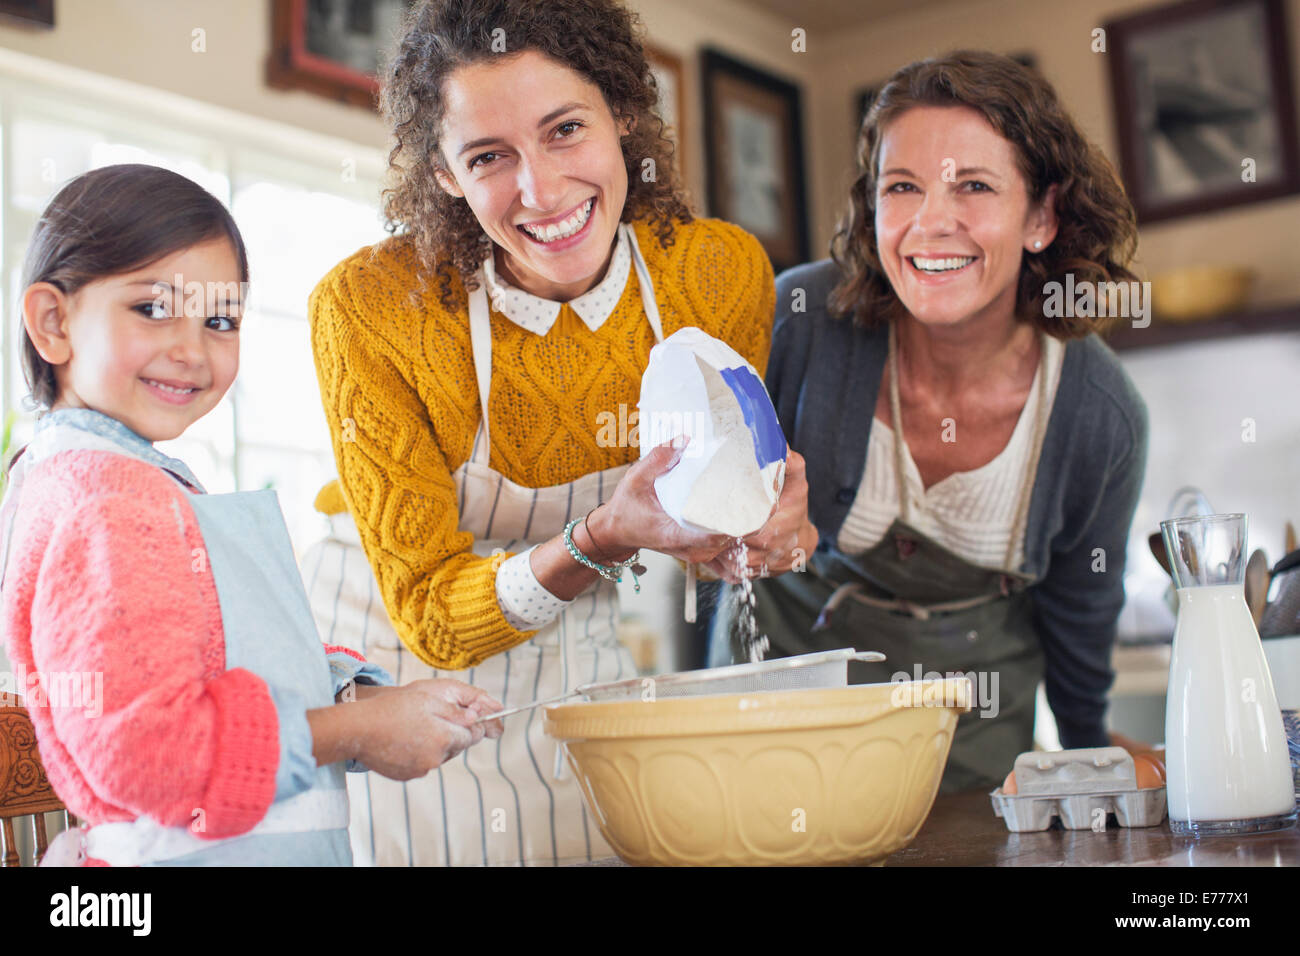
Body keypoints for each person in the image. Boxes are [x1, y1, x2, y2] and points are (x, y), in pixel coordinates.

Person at [305, 0, 815, 865]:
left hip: (576, 660)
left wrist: (759, 524)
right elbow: (429, 610)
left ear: (622, 111)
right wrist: (602, 537)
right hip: (395, 681)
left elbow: (718, 499)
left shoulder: (718, 273)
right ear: (442, 173)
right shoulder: (371, 309)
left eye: (565, 130)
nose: (539, 192)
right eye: (487, 157)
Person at [1, 164, 502, 867]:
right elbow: (151, 754)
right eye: (152, 308)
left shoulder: (127, 478)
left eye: (220, 320)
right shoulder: (104, 498)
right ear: (53, 322)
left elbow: (220, 655)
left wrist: (355, 699)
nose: (191, 349)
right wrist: (354, 731)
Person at [713, 51, 1150, 794]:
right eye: (902, 187)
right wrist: (733, 533)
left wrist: (1088, 762)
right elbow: (696, 501)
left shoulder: (1098, 416)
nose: (929, 222)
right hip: (771, 718)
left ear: (1041, 216)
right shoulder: (803, 321)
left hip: (967, 737)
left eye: (973, 186)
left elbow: (1082, 606)